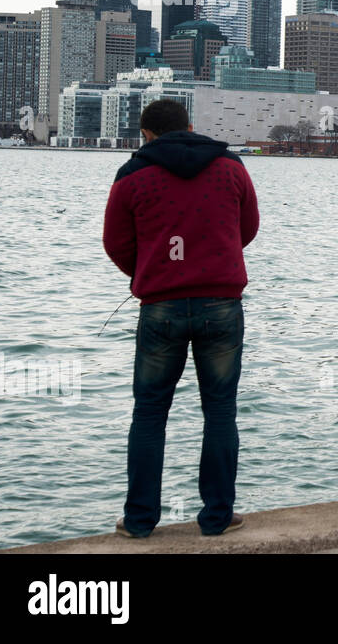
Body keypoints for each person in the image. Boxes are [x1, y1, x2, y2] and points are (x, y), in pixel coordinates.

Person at [103, 99, 259, 537]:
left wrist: (151, 267)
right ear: (190, 127)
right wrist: (213, 255)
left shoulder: (132, 173)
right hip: (221, 304)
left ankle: (139, 521)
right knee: (221, 410)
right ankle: (217, 517)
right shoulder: (231, 167)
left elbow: (115, 242)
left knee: (150, 414)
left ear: (146, 135)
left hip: (160, 307)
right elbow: (248, 228)